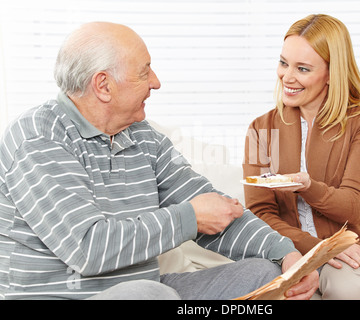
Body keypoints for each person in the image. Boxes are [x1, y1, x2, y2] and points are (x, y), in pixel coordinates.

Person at [0, 22, 318, 300]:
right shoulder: (38, 136)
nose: (156, 82)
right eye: (144, 71)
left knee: (263, 275)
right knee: (151, 294)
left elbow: (214, 208)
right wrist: (189, 218)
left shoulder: (142, 136)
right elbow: (87, 249)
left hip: (146, 289)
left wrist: (287, 254)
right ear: (103, 85)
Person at [243, 14, 360, 300]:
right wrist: (315, 247)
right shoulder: (261, 128)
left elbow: (355, 207)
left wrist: (308, 186)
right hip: (286, 252)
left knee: (348, 287)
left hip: (353, 247)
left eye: (302, 69)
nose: (287, 77)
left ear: (332, 72)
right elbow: (259, 213)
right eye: (283, 63)